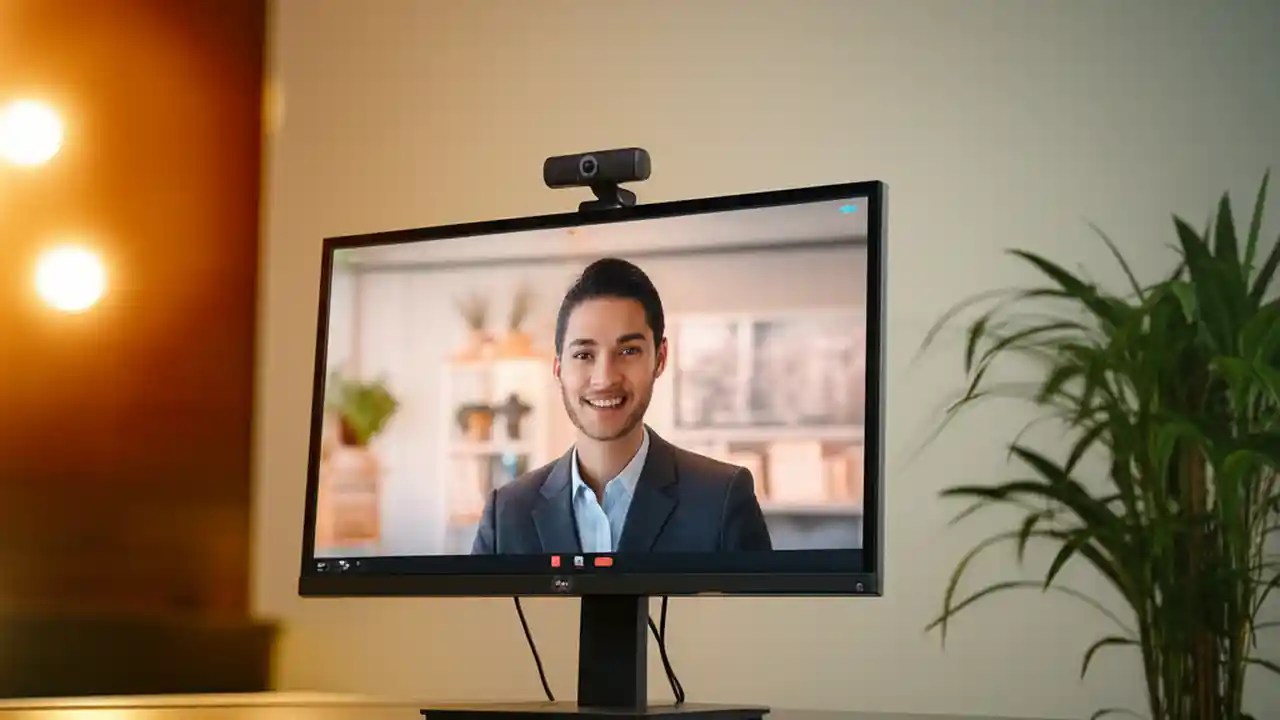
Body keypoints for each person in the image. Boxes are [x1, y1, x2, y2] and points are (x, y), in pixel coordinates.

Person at [471, 257, 772, 555]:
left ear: (660, 358)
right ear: (558, 367)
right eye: (584, 355)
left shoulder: (721, 499)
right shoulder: (507, 514)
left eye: (628, 351)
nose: (605, 378)